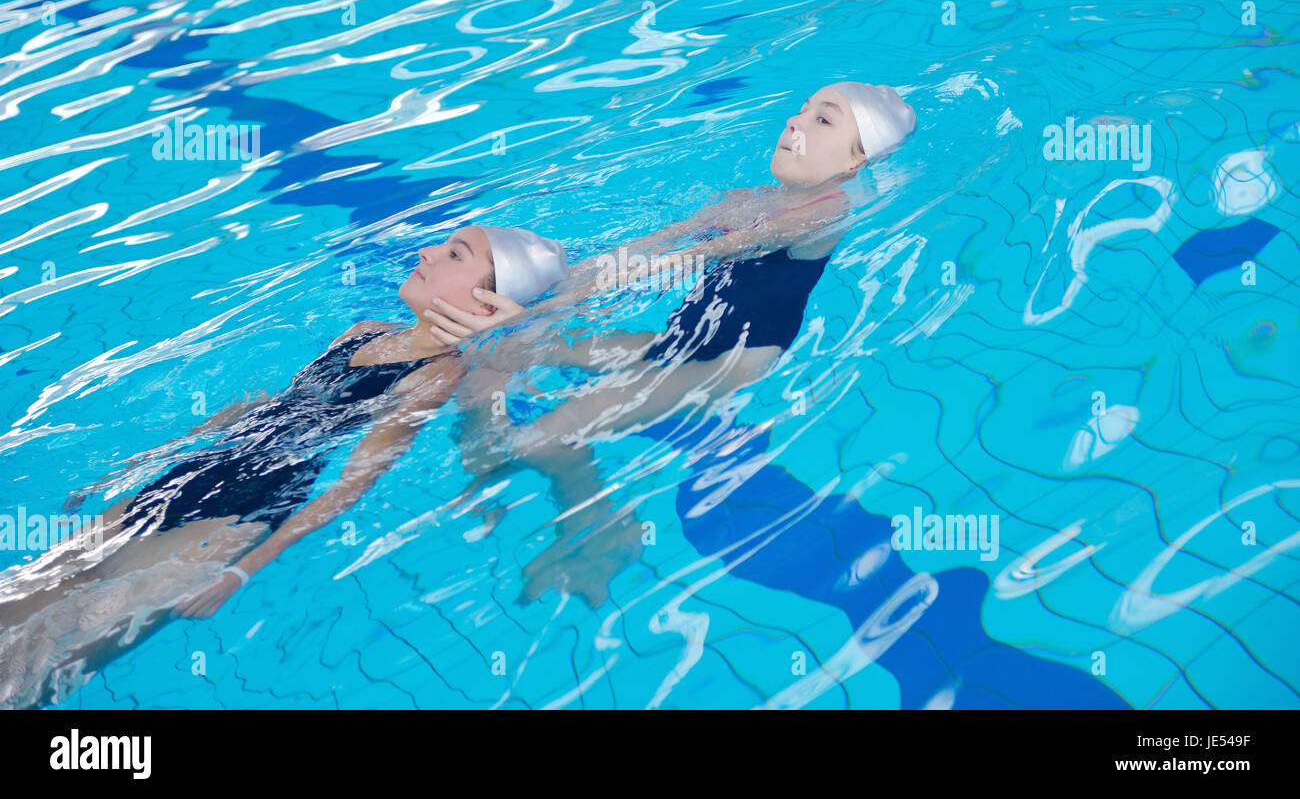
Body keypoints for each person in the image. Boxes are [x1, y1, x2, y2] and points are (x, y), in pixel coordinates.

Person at [0, 224, 568, 708]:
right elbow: (262, 402)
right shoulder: (364, 331)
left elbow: (354, 482)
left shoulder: (438, 374)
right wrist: (134, 467)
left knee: (75, 644)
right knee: (25, 590)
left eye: (453, 256)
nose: (425, 252)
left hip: (244, 512)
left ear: (485, 303)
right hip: (191, 475)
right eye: (441, 245)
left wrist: (244, 568)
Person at [426, 82, 917, 607]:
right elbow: (648, 247)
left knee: (543, 438)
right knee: (500, 350)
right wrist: (556, 294)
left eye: (823, 121)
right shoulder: (746, 200)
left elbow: (694, 256)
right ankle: (482, 468)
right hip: (677, 340)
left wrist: (561, 304)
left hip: (727, 364)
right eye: (799, 109)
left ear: (858, 159)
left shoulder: (825, 211)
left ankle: (605, 525)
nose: (795, 122)